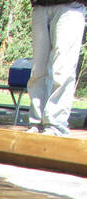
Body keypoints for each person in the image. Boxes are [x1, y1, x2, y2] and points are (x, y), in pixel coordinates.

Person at [29, 1, 86, 136]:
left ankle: (55, 125)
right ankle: (36, 122)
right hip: (40, 6)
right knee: (37, 71)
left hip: (71, 7)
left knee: (62, 70)